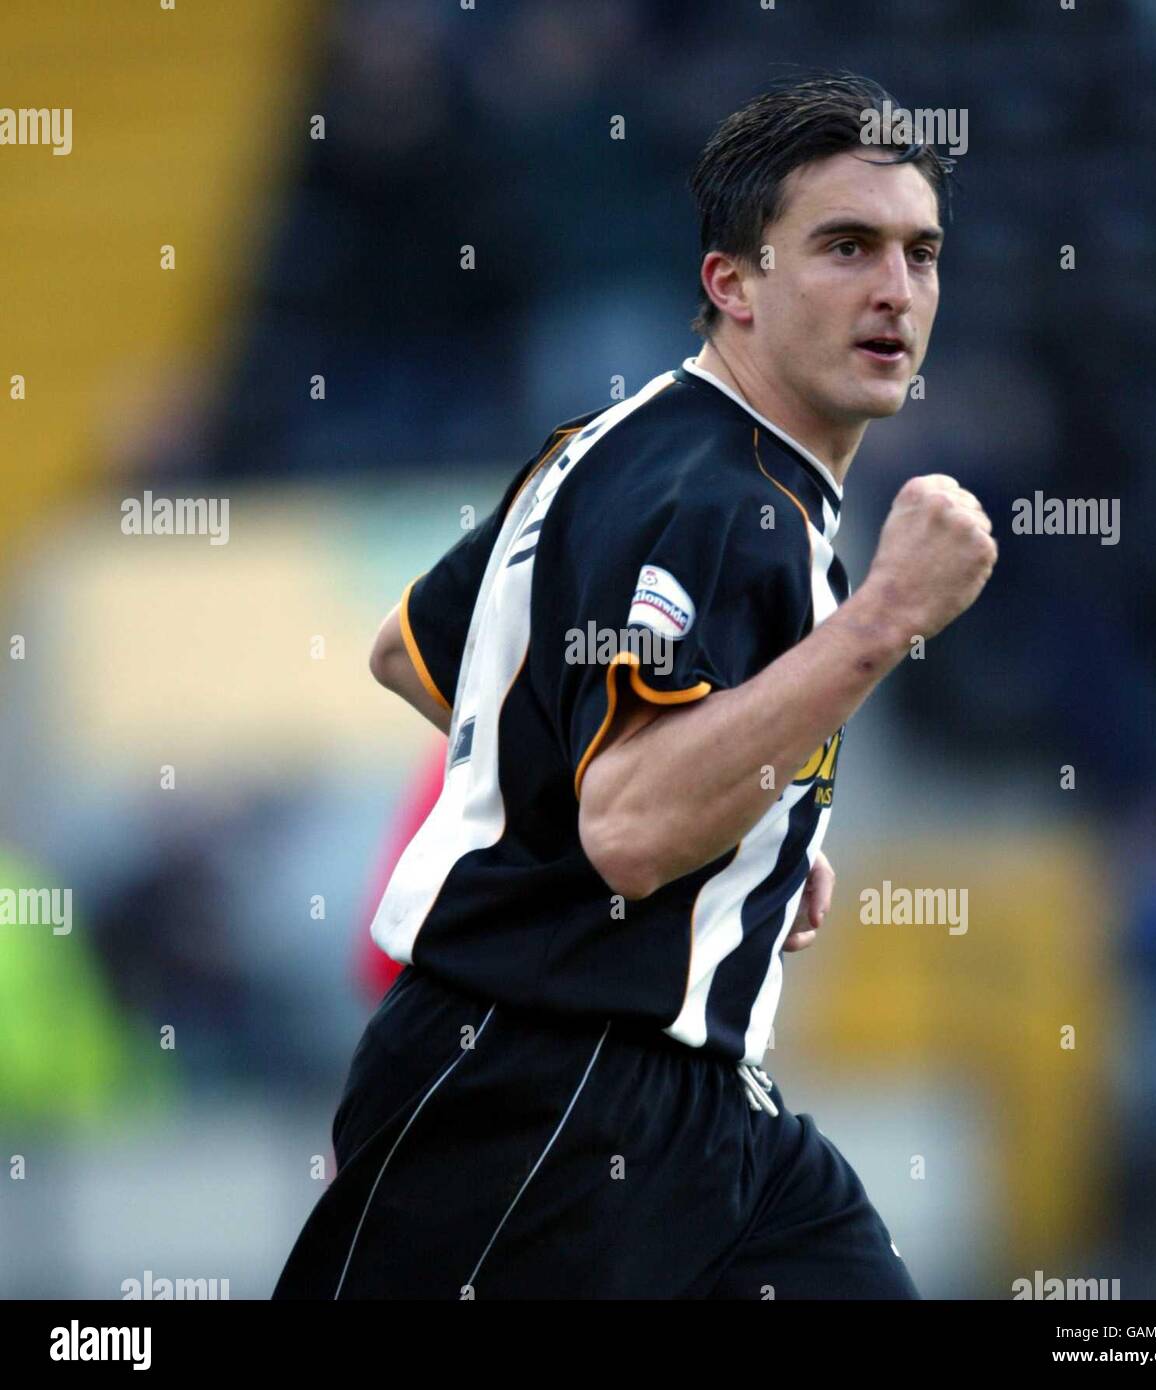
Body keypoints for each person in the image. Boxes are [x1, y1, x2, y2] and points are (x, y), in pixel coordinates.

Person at [274, 72, 996, 1300]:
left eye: (919, 254)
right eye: (844, 247)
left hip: (704, 1112)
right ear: (732, 284)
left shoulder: (611, 443)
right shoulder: (719, 499)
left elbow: (421, 656)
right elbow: (627, 827)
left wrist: (742, 812)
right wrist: (881, 620)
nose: (895, 289)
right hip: (540, 1089)